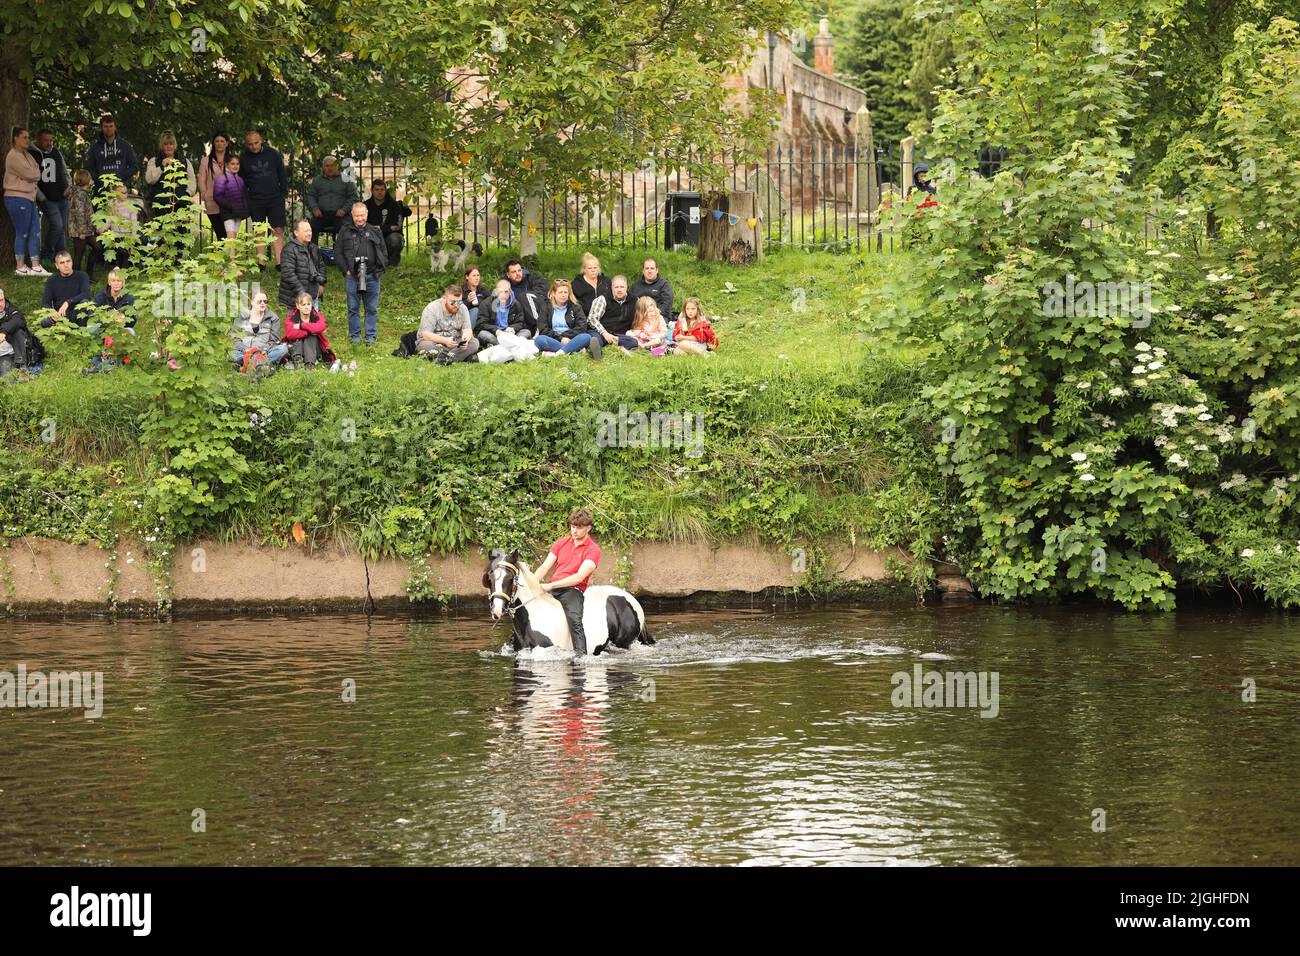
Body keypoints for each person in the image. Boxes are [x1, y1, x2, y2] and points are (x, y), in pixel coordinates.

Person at [535, 508, 602, 656]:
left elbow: (579, 577)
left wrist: (550, 585)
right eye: (573, 526)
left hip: (573, 590)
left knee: (574, 619)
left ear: (588, 528)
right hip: (553, 587)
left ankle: (581, 656)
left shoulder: (593, 550)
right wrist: (532, 584)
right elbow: (545, 567)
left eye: (579, 528)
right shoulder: (561, 543)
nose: (574, 531)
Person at [335, 202, 387, 345]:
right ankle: (355, 337)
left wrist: (379, 270)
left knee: (371, 308)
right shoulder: (345, 231)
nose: (359, 218)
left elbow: (383, 252)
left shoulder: (375, 230)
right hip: (352, 276)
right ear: (352, 215)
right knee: (353, 308)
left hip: (372, 276)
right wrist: (345, 270)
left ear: (367, 214)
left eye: (362, 215)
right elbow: (338, 252)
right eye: (357, 215)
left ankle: (370, 337)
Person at [240, 129, 288, 266]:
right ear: (246, 144)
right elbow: (242, 181)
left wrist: (283, 194)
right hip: (256, 200)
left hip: (275, 198)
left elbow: (282, 175)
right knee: (259, 231)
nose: (254, 146)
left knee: (277, 229)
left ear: (261, 141)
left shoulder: (273, 154)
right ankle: (261, 263)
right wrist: (247, 199)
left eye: (256, 143)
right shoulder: (244, 158)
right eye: (250, 144)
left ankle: (280, 263)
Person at [5, 127, 48, 276]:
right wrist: (34, 174)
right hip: (17, 198)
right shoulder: (13, 156)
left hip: (30, 198)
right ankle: (20, 266)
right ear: (15, 138)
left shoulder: (27, 155)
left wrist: (34, 174)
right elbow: (31, 174)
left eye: (28, 137)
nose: (27, 140)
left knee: (35, 231)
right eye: (24, 137)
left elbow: (37, 171)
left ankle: (36, 266)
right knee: (22, 232)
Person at [535, 279, 601, 358]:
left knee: (586, 337)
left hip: (572, 339)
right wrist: (561, 338)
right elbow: (543, 328)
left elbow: (582, 326)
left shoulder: (575, 306)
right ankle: (573, 351)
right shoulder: (546, 306)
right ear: (553, 293)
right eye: (560, 292)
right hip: (554, 338)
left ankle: (558, 353)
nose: (563, 295)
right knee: (539, 340)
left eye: (565, 292)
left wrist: (566, 337)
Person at [30, 129, 70, 261]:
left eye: (50, 140)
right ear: (38, 139)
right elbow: (30, 180)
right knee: (57, 226)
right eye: (45, 140)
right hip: (48, 199)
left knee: (62, 228)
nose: (49, 143)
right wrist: (41, 197)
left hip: (63, 196)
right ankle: (47, 254)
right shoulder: (31, 154)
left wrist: (69, 187)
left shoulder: (56, 152)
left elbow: (64, 171)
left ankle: (62, 257)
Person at [416, 284, 479, 363]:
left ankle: (445, 358)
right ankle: (455, 357)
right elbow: (426, 334)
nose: (456, 305)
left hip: (455, 343)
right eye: (453, 302)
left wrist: (465, 339)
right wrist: (445, 341)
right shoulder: (432, 308)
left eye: (459, 302)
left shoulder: (463, 308)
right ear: (444, 299)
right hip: (435, 343)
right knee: (426, 345)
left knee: (474, 342)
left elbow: (468, 330)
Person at [142, 131, 197, 218]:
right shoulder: (154, 161)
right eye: (166, 144)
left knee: (180, 231)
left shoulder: (185, 162)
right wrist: (161, 167)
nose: (168, 146)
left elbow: (192, 183)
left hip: (181, 208)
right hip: (160, 208)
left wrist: (185, 196)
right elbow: (149, 179)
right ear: (162, 146)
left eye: (171, 144)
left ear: (174, 146)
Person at [229, 290, 286, 368]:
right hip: (244, 351)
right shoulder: (241, 316)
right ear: (252, 302)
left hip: (264, 351)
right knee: (231, 354)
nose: (263, 303)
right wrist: (246, 350)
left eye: (265, 301)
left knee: (282, 349)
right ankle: (261, 365)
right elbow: (235, 338)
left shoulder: (273, 318)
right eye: (260, 301)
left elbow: (274, 340)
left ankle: (251, 364)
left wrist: (261, 350)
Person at [279, 219, 326, 311]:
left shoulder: (314, 248)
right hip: (296, 299)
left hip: (313, 297)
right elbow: (288, 275)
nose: (309, 233)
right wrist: (302, 294)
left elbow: (322, 267)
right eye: (306, 231)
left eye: (310, 230)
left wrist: (321, 284)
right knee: (296, 325)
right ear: (296, 232)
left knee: (313, 325)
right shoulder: (288, 250)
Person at [306, 156, 356, 242]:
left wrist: (344, 210)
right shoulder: (317, 180)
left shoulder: (347, 179)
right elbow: (311, 196)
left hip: (341, 215)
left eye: (332, 165)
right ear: (323, 167)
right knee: (309, 228)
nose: (330, 168)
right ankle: (312, 253)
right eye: (327, 166)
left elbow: (353, 197)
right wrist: (315, 208)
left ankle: (344, 253)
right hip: (321, 214)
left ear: (337, 166)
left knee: (347, 228)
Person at [84, 114, 137, 194]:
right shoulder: (94, 148)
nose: (108, 129)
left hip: (120, 190)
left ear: (115, 127)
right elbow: (88, 168)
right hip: (100, 191)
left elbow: (134, 166)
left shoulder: (125, 146)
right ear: (101, 128)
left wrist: (122, 176)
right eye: (105, 126)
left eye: (111, 126)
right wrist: (100, 179)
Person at [38, 250, 92, 327]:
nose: (66, 265)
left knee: (84, 303)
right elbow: (45, 303)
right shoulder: (51, 280)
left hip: (77, 314)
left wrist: (68, 302)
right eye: (62, 263)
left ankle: (81, 335)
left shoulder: (82, 276)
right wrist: (52, 312)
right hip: (60, 316)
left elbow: (86, 294)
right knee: (44, 322)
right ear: (57, 265)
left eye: (68, 261)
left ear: (72, 262)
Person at [363, 180, 411, 266]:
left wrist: (377, 228)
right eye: (377, 190)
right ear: (372, 191)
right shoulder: (365, 206)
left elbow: (396, 227)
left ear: (385, 191)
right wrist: (387, 228)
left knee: (396, 239)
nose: (379, 192)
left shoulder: (394, 205)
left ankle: (392, 263)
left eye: (382, 189)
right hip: (371, 237)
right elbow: (362, 226)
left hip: (389, 237)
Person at [473, 278, 532, 348]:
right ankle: (509, 345)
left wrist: (513, 328)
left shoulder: (516, 304)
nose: (503, 294)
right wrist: (495, 330)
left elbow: (521, 322)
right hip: (495, 334)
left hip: (510, 334)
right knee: (483, 334)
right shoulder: (486, 303)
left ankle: (501, 346)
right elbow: (481, 323)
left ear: (510, 292)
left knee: (527, 332)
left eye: (506, 292)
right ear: (496, 292)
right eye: (501, 292)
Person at [197, 132, 234, 241]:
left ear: (227, 143)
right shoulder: (205, 161)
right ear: (213, 143)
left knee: (230, 233)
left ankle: (231, 256)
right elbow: (201, 180)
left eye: (222, 141)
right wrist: (205, 194)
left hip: (229, 202)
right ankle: (221, 257)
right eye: (217, 141)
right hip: (212, 201)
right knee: (220, 234)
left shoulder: (232, 160)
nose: (219, 144)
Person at [283, 290, 333, 369]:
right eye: (303, 304)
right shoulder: (291, 318)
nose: (306, 307)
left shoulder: (317, 316)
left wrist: (301, 326)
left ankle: (310, 364)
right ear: (298, 306)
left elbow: (321, 327)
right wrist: (308, 332)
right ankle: (298, 361)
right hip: (296, 348)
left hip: (315, 349)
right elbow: (290, 334)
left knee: (311, 336)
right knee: (297, 337)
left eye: (308, 304)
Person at [587, 273, 637, 350]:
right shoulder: (603, 299)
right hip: (601, 332)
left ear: (627, 287)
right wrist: (605, 334)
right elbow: (592, 319)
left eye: (622, 287)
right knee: (596, 340)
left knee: (634, 342)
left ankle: (613, 345)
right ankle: (597, 352)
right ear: (612, 287)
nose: (619, 290)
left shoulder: (634, 300)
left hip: (619, 335)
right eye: (616, 287)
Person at [66, 169, 99, 278]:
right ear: (87, 180)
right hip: (80, 231)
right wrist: (82, 232)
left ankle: (88, 275)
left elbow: (87, 213)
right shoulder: (80, 194)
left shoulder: (81, 193)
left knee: (97, 248)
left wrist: (94, 227)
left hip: (87, 230)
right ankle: (76, 278)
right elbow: (80, 215)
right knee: (79, 254)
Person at [503, 258, 548, 335]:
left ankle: (539, 328)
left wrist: (526, 297)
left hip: (537, 310)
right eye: (514, 272)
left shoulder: (530, 278)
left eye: (519, 270)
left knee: (525, 296)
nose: (517, 273)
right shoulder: (504, 285)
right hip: (519, 318)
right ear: (508, 275)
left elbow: (544, 287)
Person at [213, 154, 249, 241]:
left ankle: (231, 254)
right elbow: (217, 196)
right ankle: (231, 255)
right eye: (232, 164)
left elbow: (244, 196)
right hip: (227, 212)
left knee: (234, 238)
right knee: (231, 236)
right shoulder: (221, 178)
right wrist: (231, 206)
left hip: (238, 212)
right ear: (227, 165)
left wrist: (246, 210)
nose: (235, 166)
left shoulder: (240, 180)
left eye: (237, 164)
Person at [630, 257, 674, 322]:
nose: (649, 271)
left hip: (658, 317)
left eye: (652, 268)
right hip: (640, 317)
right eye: (647, 268)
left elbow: (667, 304)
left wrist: (653, 314)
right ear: (643, 270)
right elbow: (631, 303)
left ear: (657, 270)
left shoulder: (664, 284)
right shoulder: (635, 285)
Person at [0, 286, 31, 376]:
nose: (0, 304)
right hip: (4, 351)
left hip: (14, 347)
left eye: (1, 300)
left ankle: (23, 367)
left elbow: (19, 320)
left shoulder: (11, 308)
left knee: (18, 331)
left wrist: (3, 332)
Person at [571, 252, 612, 317]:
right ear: (584, 269)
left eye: (595, 268)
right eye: (590, 268)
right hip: (584, 317)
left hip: (606, 317)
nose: (593, 270)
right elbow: (573, 302)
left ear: (598, 268)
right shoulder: (576, 284)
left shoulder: (606, 281)